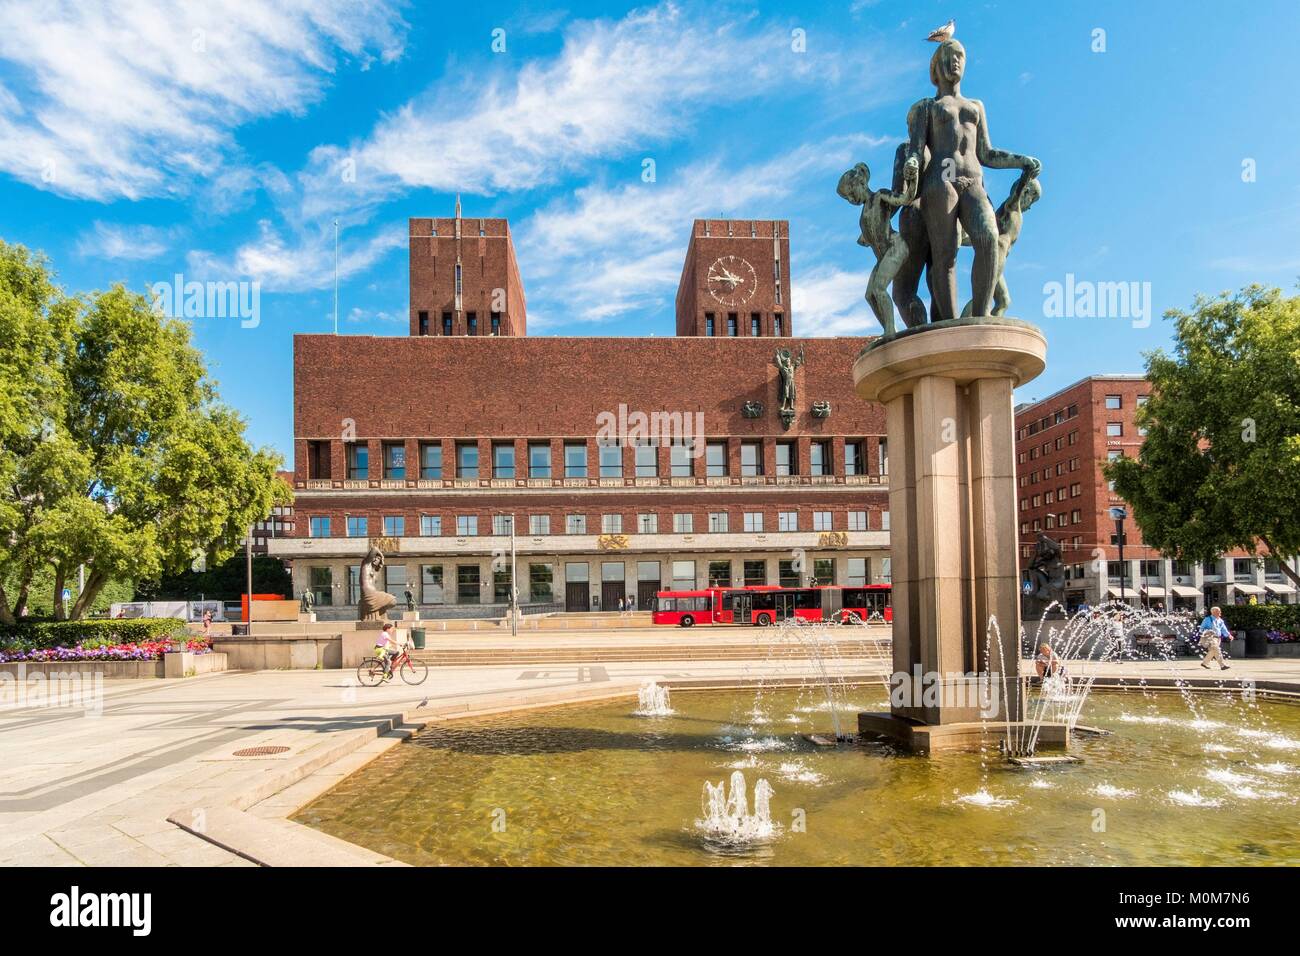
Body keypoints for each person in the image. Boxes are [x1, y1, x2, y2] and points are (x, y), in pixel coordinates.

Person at [1198, 606, 1232, 671]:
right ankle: (1222, 665)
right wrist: (1207, 631)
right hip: (1210, 637)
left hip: (1218, 638)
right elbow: (1201, 629)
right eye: (1218, 611)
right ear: (1214, 612)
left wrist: (1229, 635)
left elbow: (1223, 629)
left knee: (1213, 651)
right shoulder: (1207, 619)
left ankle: (1204, 663)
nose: (1220, 612)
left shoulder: (1220, 620)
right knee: (1217, 649)